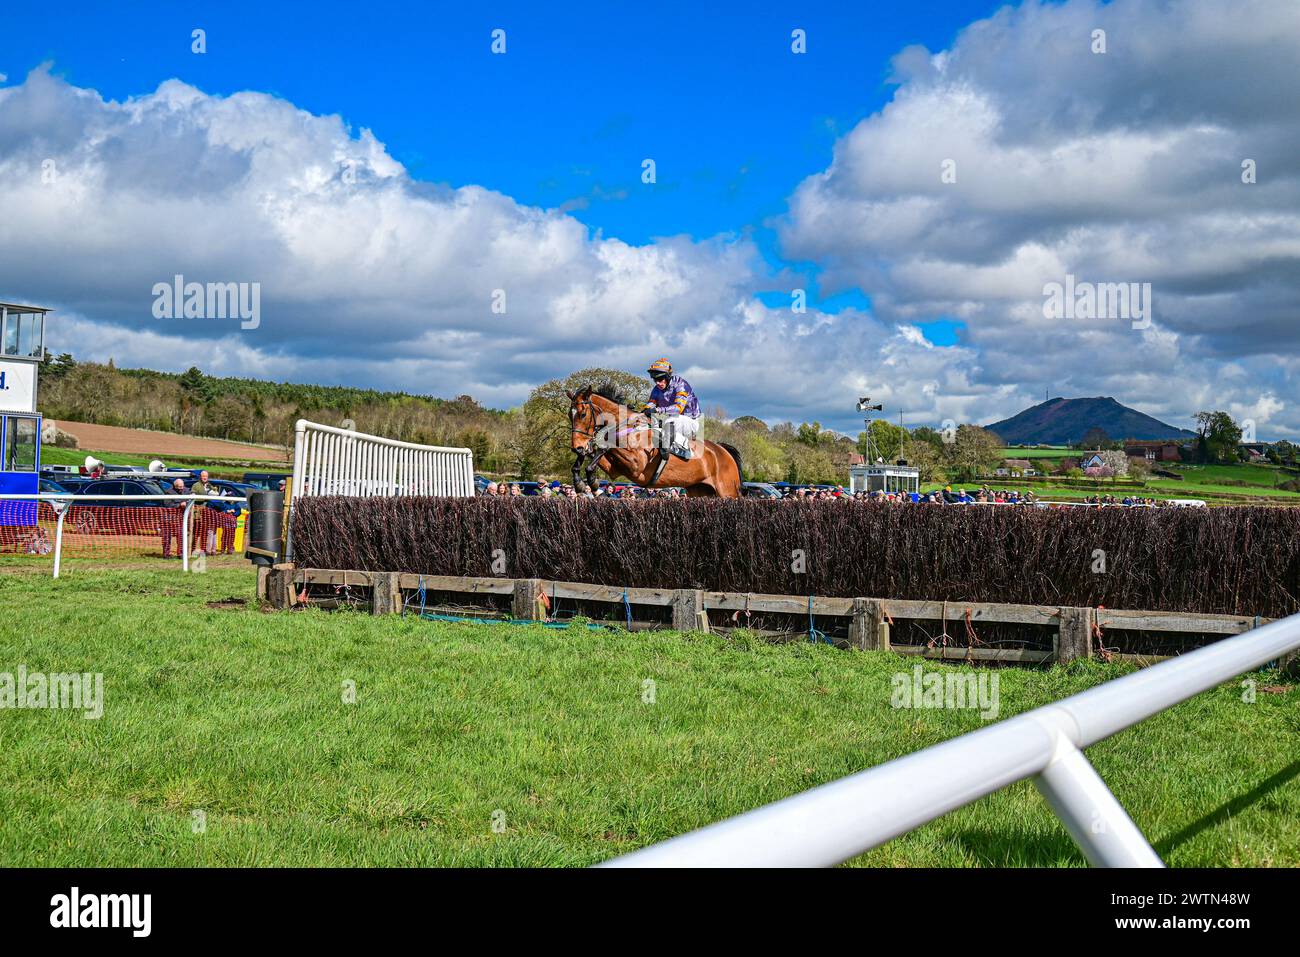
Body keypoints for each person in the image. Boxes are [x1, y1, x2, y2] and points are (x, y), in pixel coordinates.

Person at [640, 357, 701, 460]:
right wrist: (643, 411)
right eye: (655, 380)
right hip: (671, 421)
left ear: (667, 377)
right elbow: (651, 404)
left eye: (660, 379)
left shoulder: (681, 385)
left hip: (691, 422)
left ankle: (687, 450)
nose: (657, 383)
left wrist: (658, 410)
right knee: (645, 423)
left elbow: (678, 409)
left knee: (670, 421)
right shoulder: (656, 389)